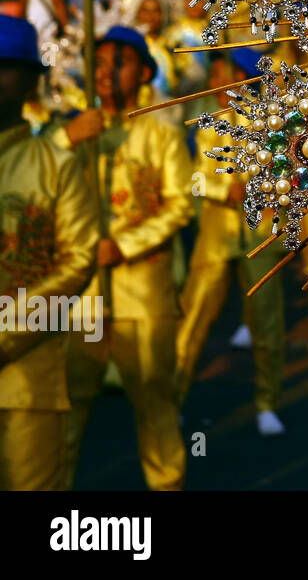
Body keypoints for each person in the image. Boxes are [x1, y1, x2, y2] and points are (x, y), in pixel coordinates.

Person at [54, 25, 193, 490]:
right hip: (81, 299)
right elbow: (33, 185)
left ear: (144, 73)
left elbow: (180, 205)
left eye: (123, 61)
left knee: (156, 405)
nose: (110, 70)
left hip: (143, 297)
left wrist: (126, 245)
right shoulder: (70, 130)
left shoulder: (160, 132)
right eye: (102, 60)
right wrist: (66, 142)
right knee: (65, 410)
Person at [0, 17, 97, 490]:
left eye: (6, 68)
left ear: (31, 80)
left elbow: (78, 262)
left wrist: (5, 334)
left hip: (28, 379)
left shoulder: (55, 165)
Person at [175, 49, 287, 436]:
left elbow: (288, 171)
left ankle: (268, 402)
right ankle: (172, 402)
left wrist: (260, 185)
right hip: (216, 232)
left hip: (260, 233)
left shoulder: (270, 121)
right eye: (215, 70)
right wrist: (225, 188)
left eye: (224, 70)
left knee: (268, 321)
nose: (216, 78)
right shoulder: (201, 121)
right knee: (193, 317)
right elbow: (189, 180)